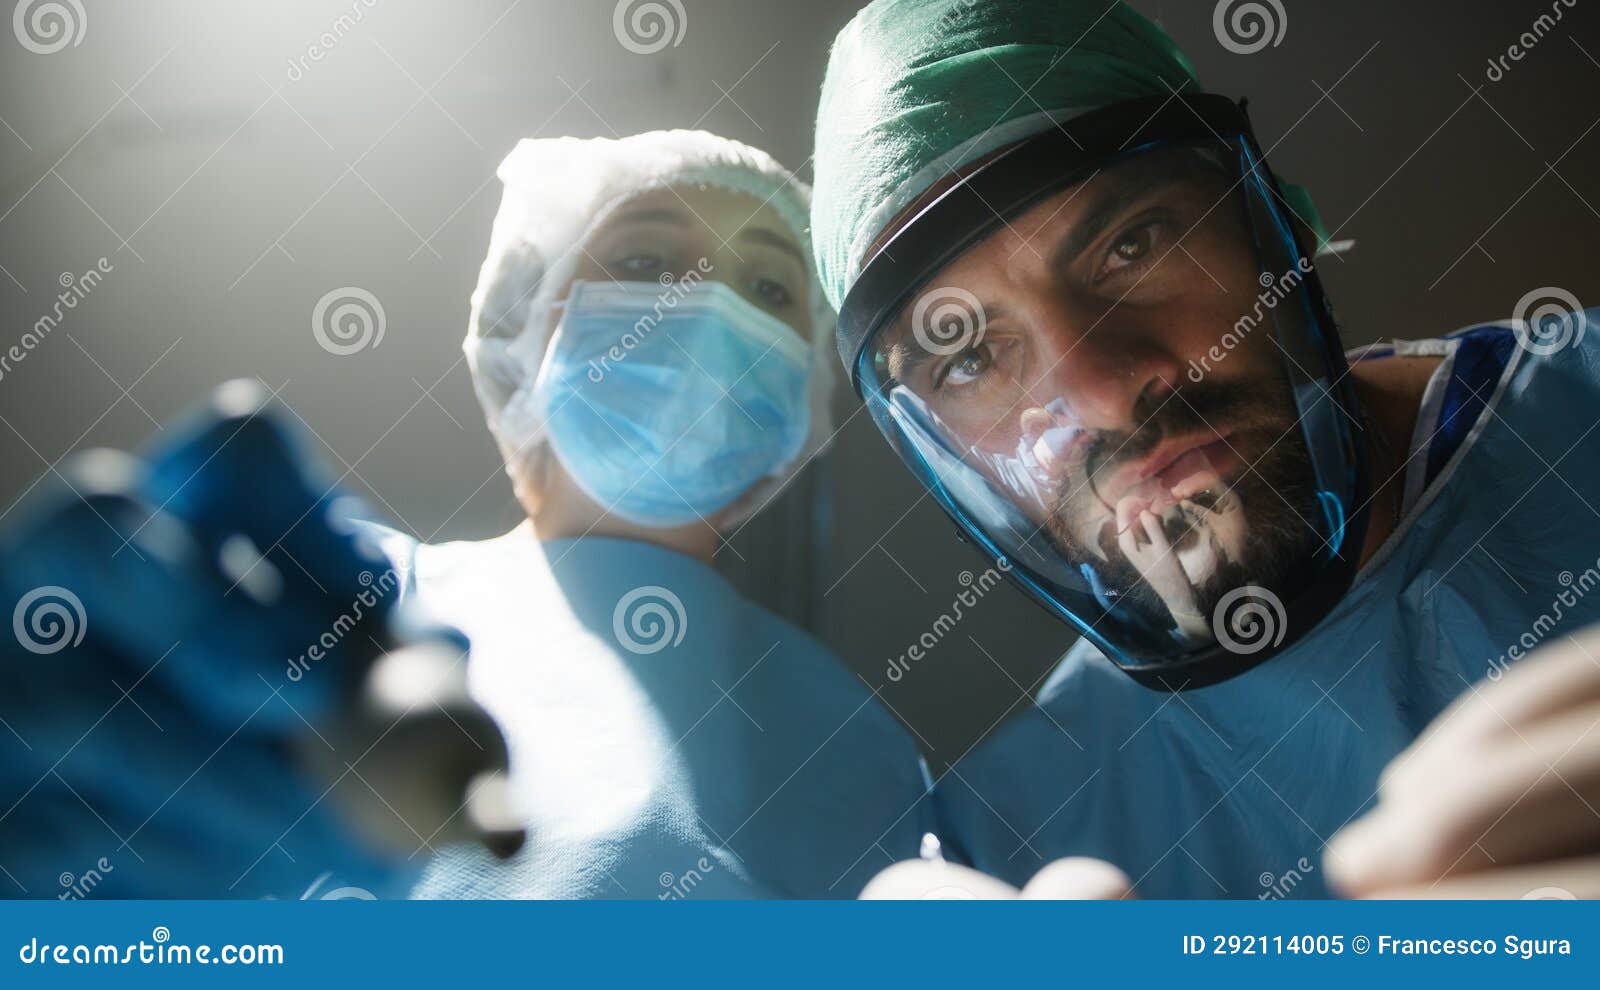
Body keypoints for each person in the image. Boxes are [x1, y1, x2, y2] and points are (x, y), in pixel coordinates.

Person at [809, 0, 1600, 897]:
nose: (1102, 393)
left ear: (1274, 227)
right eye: (972, 359)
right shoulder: (1034, 829)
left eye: (1130, 244)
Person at [375, 131, 929, 899]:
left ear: (804, 384)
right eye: (645, 263)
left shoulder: (852, 743)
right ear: (531, 321)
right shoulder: (368, 607)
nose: (706, 306)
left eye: (769, 288)